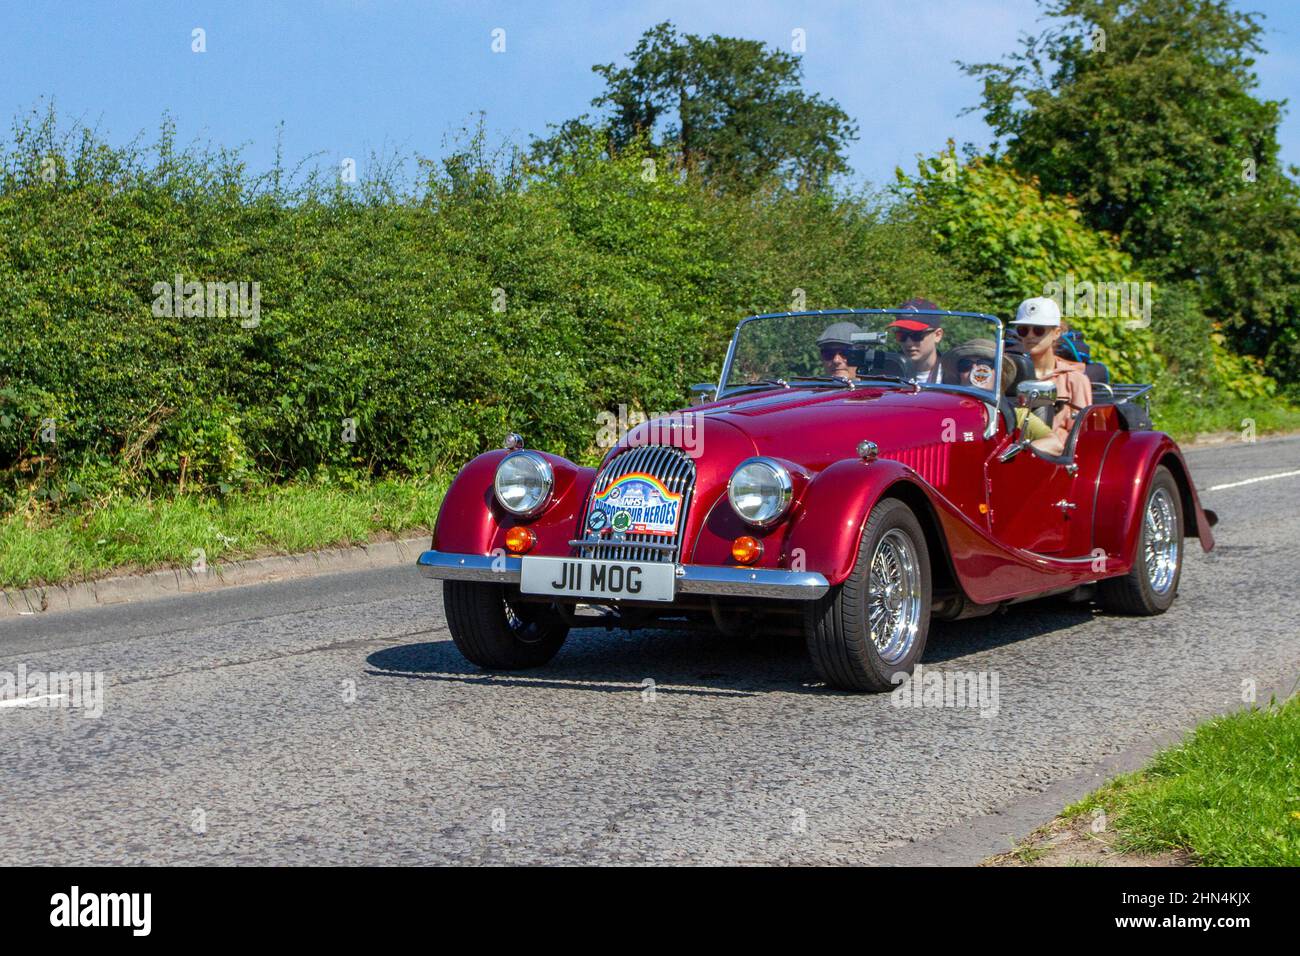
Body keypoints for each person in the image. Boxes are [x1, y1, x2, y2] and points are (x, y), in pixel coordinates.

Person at [944, 339, 1064, 456]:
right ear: (958, 375)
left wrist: (1013, 452)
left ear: (999, 373)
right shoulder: (945, 411)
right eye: (965, 365)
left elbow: (1055, 444)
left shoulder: (1015, 414)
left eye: (984, 364)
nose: (974, 372)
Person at [1012, 296, 1092, 446]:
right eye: (1023, 330)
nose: (1030, 335)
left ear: (1056, 333)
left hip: (1057, 461)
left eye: (1038, 330)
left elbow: (1083, 434)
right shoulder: (1011, 374)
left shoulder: (1074, 379)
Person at [887, 298, 944, 383]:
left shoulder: (954, 375)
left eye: (917, 335)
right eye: (902, 335)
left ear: (937, 335)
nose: (908, 343)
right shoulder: (887, 373)